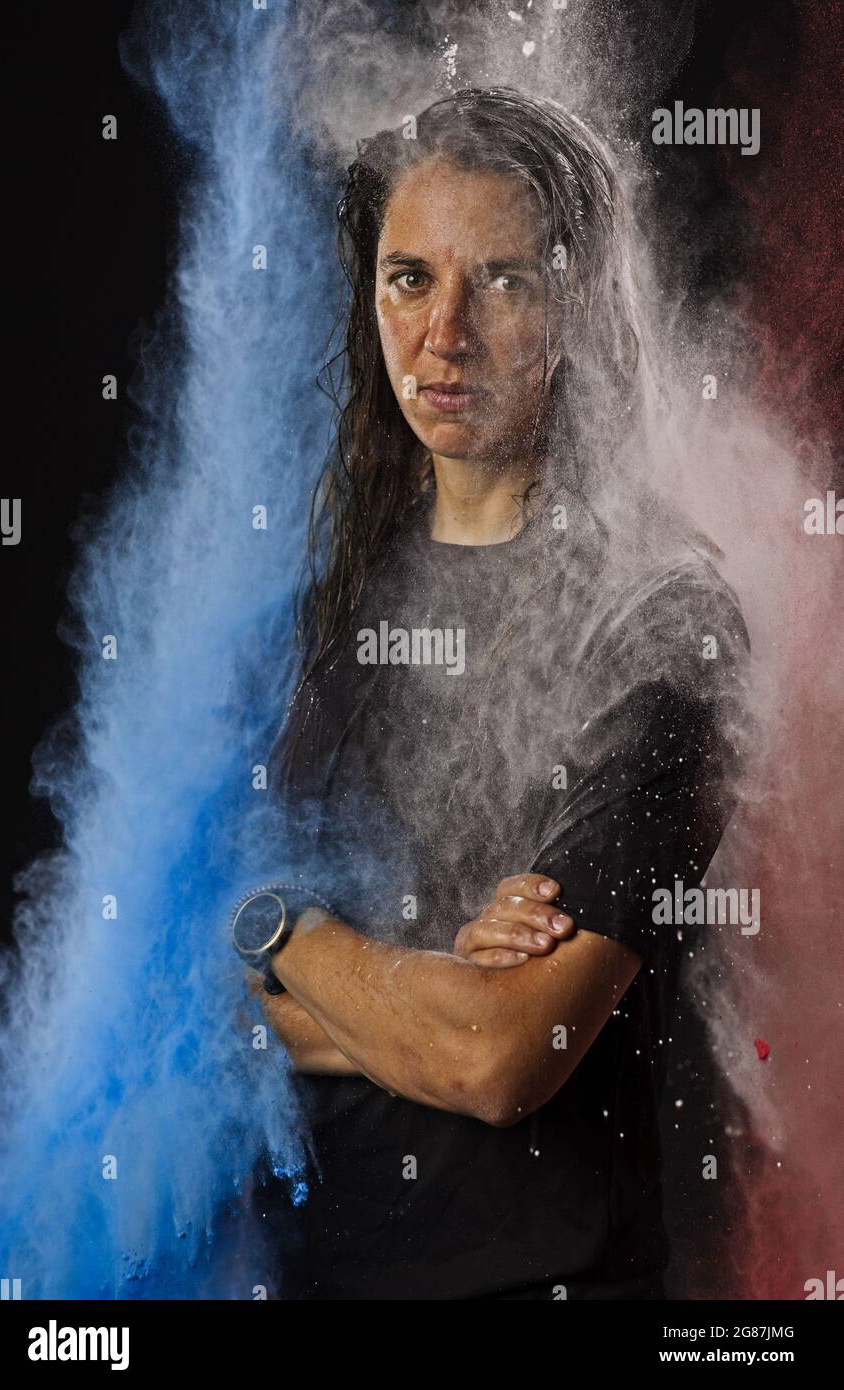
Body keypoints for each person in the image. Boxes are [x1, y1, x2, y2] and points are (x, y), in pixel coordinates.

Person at [246, 87, 751, 1300]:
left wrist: (279, 936)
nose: (443, 336)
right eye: (409, 279)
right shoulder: (318, 601)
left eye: (503, 281)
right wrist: (421, 974)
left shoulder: (659, 619)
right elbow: (199, 1014)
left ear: (570, 304)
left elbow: (500, 1051)